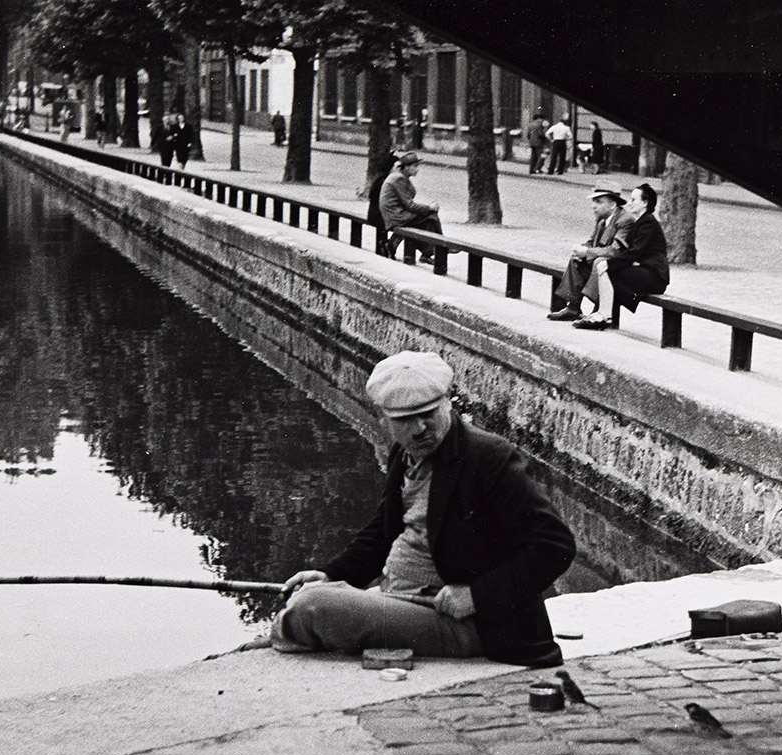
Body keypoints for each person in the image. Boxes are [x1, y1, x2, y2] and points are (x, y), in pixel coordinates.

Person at [271, 350, 576, 667]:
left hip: (465, 622)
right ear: (384, 418)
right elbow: (382, 532)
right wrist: (331, 573)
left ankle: (285, 631)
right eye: (403, 420)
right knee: (321, 592)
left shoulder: (488, 457)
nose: (418, 429)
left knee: (313, 605)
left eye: (428, 414)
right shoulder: (404, 454)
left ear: (448, 402)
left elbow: (554, 546)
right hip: (400, 597)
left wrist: (475, 596)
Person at [574, 183, 671, 330]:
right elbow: (631, 252)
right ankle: (602, 313)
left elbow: (634, 252)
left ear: (645, 203)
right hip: (645, 271)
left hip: (655, 276)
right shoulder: (640, 222)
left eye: (633, 200)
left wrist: (610, 264)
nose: (629, 203)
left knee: (605, 268)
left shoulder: (648, 223)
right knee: (605, 267)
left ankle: (604, 315)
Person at [548, 182, 631, 322]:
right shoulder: (602, 219)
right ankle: (573, 307)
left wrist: (587, 252)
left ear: (612, 205)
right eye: (594, 201)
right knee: (577, 260)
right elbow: (592, 241)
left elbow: (616, 251)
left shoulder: (625, 220)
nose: (593, 206)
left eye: (598, 202)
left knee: (599, 263)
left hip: (620, 269)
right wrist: (581, 249)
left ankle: (598, 311)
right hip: (604, 264)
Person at [378, 150, 443, 264]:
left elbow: (409, 196)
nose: (417, 169)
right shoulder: (399, 178)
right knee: (431, 216)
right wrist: (430, 207)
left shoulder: (399, 177)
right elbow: (410, 205)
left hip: (394, 213)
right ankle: (440, 247)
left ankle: (392, 245)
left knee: (424, 221)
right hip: (396, 215)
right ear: (406, 167)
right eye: (414, 166)